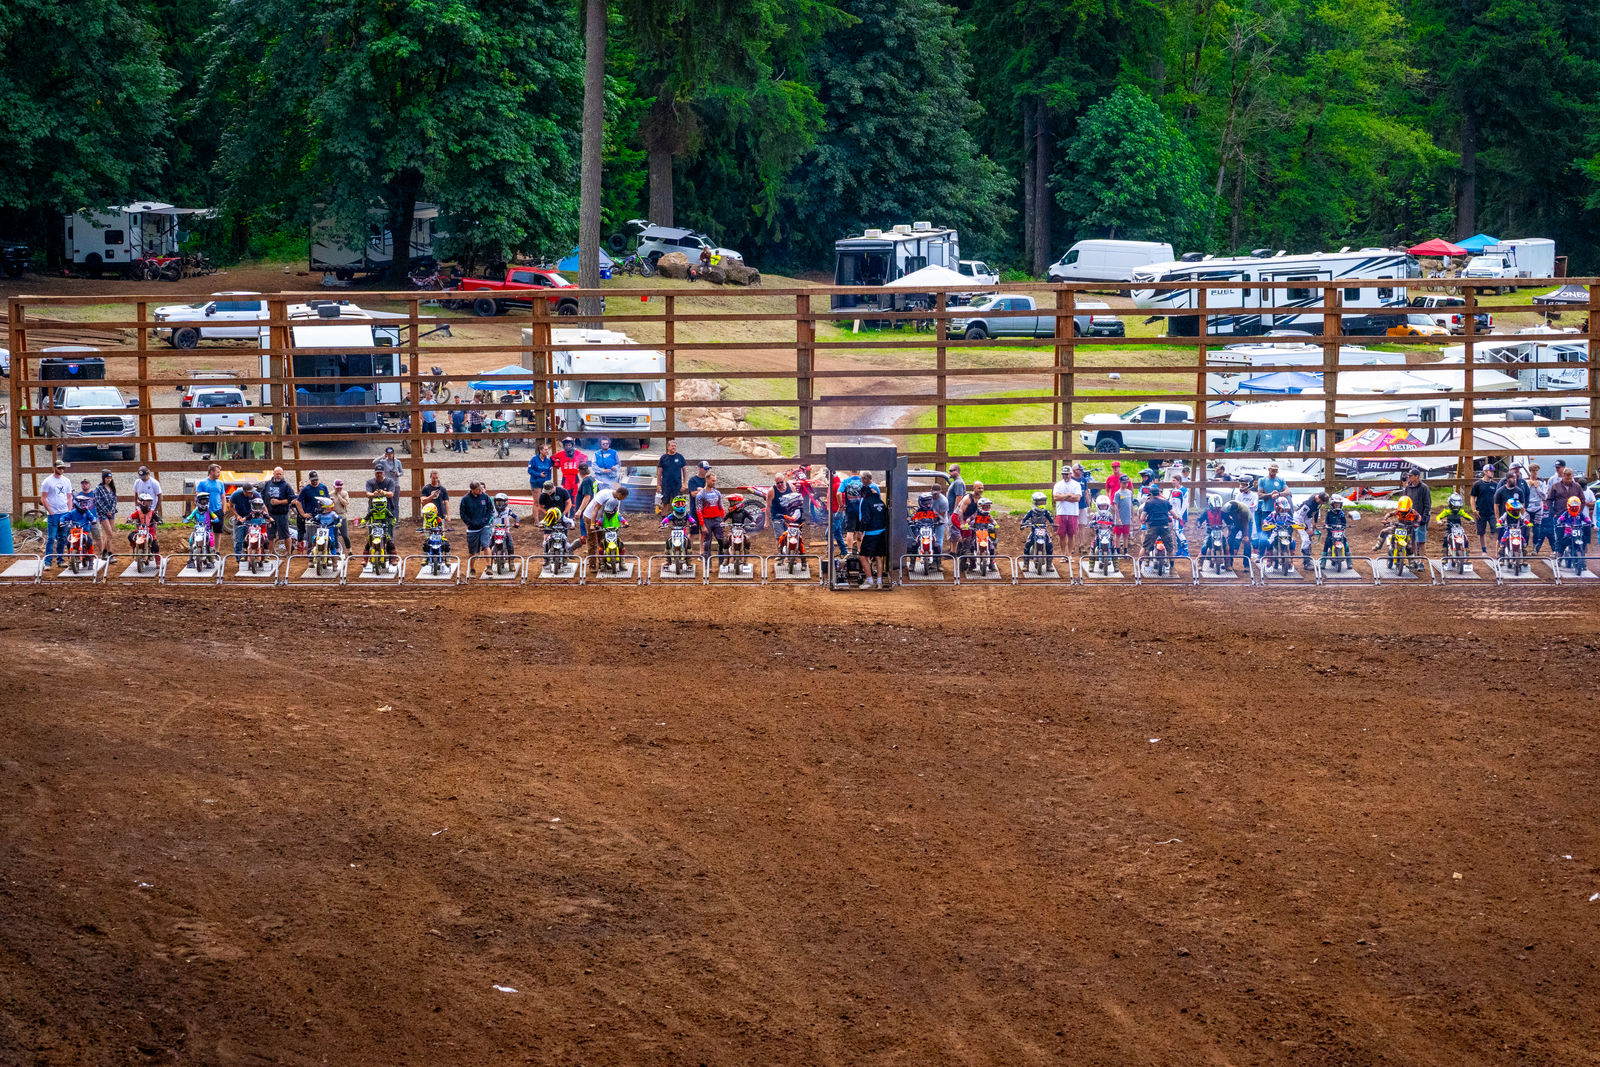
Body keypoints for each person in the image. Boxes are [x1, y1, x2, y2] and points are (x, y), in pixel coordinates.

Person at [855, 483, 891, 588]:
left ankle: (870, 579)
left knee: (862, 556)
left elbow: (866, 518)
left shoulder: (866, 502)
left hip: (871, 533)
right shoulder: (880, 502)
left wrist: (861, 531)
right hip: (882, 532)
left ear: (863, 494)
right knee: (878, 556)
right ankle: (879, 582)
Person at [582, 484, 631, 560]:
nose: (623, 499)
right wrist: (592, 524)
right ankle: (592, 564)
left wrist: (622, 522)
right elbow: (595, 509)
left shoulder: (618, 500)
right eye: (623, 497)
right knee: (592, 542)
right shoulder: (604, 494)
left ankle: (603, 562)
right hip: (590, 517)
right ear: (620, 494)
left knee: (602, 540)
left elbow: (616, 513)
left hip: (603, 518)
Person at [40, 461, 73, 567]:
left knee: (62, 537)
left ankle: (60, 559)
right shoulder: (47, 481)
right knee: (51, 538)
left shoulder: (66, 481)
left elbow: (69, 496)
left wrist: (69, 510)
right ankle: (47, 562)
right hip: (53, 514)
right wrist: (50, 511)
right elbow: (43, 498)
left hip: (64, 513)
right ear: (54, 468)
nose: (61, 470)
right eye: (59, 468)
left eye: (62, 468)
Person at [691, 474, 726, 562]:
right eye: (712, 480)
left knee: (721, 540)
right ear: (707, 480)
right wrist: (702, 526)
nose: (714, 482)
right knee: (707, 543)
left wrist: (723, 520)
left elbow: (721, 507)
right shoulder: (700, 495)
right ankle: (708, 565)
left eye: (715, 481)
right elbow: (699, 511)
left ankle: (721, 564)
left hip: (717, 519)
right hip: (707, 520)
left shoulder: (717, 493)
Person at [261, 466, 296, 553]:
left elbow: (292, 499)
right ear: (273, 474)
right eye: (277, 474)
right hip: (270, 514)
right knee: (270, 535)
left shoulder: (286, 486)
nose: (279, 475)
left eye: (280, 474)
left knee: (286, 534)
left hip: (282, 514)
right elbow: (261, 496)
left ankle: (288, 553)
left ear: (283, 474)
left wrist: (279, 502)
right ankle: (270, 553)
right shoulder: (267, 484)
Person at [294, 471, 330, 551]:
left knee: (324, 537)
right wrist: (303, 514)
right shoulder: (306, 489)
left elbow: (328, 500)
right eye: (313, 480)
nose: (315, 481)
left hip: (323, 516)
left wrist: (328, 511)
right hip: (311, 517)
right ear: (310, 480)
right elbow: (298, 501)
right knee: (311, 538)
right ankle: (311, 557)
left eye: (316, 480)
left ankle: (324, 554)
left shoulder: (323, 487)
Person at [1553, 494, 1593, 563]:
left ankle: (1583, 560)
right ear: (1569, 506)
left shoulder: (1580, 513)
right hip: (1568, 532)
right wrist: (1559, 522)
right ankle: (1559, 557)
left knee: (1584, 541)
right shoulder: (1566, 513)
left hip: (1578, 531)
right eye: (1573, 507)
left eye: (1576, 507)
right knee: (1562, 543)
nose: (1574, 509)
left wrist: (1589, 522)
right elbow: (1561, 518)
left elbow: (1585, 518)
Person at [1052, 464, 1082, 555]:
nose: (1065, 476)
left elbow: (1077, 498)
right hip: (1061, 512)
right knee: (1061, 534)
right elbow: (1056, 497)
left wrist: (1063, 497)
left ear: (1070, 474)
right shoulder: (1058, 485)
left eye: (1067, 474)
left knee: (1071, 534)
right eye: (1064, 474)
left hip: (1073, 513)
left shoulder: (1076, 485)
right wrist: (1068, 495)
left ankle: (1069, 554)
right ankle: (1062, 553)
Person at [459, 482, 494, 558]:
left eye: (481, 488)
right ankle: (472, 568)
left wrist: (486, 519)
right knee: (473, 551)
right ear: (473, 490)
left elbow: (490, 509)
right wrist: (470, 523)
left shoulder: (485, 497)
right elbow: (462, 514)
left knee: (486, 545)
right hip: (472, 528)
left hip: (484, 526)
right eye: (478, 489)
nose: (481, 490)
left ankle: (489, 567)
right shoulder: (465, 499)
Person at [1471, 464, 1501, 553]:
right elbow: (1472, 497)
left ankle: (1496, 550)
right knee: (1481, 532)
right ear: (1485, 472)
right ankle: (1483, 549)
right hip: (1481, 512)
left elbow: (1498, 498)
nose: (1492, 473)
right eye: (1490, 471)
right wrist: (1474, 510)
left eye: (1492, 471)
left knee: (1496, 530)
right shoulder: (1477, 484)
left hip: (1492, 512)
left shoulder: (1495, 485)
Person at [1292, 492, 1328, 567]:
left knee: (1309, 538)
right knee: (1306, 539)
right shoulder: (1308, 505)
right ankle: (1306, 563)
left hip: (1307, 518)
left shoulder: (1318, 502)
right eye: (1321, 501)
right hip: (1299, 519)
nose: (1322, 503)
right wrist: (1306, 529)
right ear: (1318, 498)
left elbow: (1317, 511)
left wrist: (1315, 523)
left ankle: (1308, 558)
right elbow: (1300, 517)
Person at [1141, 486, 1175, 558]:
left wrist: (1143, 520)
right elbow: (1174, 514)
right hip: (1164, 526)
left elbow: (1142, 517)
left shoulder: (1148, 503)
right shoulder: (1166, 502)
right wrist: (1178, 518)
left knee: (1144, 546)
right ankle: (1172, 567)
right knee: (1170, 548)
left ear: (1151, 494)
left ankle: (1139, 566)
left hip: (1153, 526)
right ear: (1159, 493)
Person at [1401, 469, 1432, 548]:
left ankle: (1421, 557)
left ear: (1416, 476)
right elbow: (1405, 502)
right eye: (1408, 476)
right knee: (1411, 539)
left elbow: (1427, 504)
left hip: (1420, 517)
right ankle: (1414, 557)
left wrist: (1424, 518)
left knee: (1420, 540)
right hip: (1410, 517)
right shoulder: (1408, 488)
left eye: (1410, 476)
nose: (1409, 477)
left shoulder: (1424, 488)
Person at [63, 492, 99, 560]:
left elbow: (92, 517)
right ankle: (70, 556)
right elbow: (64, 517)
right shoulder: (73, 512)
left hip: (84, 531)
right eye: (83, 503)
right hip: (74, 531)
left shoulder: (87, 512)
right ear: (77, 503)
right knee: (68, 542)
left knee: (89, 542)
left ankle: (91, 558)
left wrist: (94, 520)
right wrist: (62, 521)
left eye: (85, 503)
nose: (84, 505)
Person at [1020, 490, 1054, 561]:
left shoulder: (1046, 512)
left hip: (1043, 531)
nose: (1041, 505)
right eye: (1039, 503)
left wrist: (1053, 525)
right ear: (1035, 503)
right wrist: (1023, 523)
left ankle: (1049, 564)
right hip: (1034, 531)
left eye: (1043, 503)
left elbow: (1051, 520)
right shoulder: (1031, 512)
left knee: (1049, 545)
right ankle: (1026, 564)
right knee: (1027, 544)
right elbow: (1024, 519)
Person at [1222, 493, 1254, 567]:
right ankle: (1229, 563)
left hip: (1247, 523)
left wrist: (1245, 536)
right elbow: (1227, 519)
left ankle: (1246, 565)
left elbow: (1245, 524)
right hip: (1235, 523)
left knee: (1247, 542)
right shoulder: (1227, 507)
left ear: (1236, 510)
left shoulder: (1244, 510)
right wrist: (1229, 529)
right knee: (1230, 540)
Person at [197, 463, 226, 544]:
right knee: (204, 530)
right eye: (217, 472)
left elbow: (223, 496)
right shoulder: (202, 483)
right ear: (211, 472)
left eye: (219, 472)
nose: (219, 474)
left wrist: (223, 510)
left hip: (217, 510)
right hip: (206, 511)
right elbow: (197, 495)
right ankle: (205, 549)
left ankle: (217, 551)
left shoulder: (220, 483)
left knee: (218, 532)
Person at [92, 469, 118, 558]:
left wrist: (112, 510)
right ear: (103, 478)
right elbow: (98, 501)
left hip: (112, 512)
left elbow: (115, 500)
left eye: (110, 478)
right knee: (109, 533)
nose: (109, 480)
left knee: (107, 534)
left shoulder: (112, 488)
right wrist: (107, 511)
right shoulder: (98, 488)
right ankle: (110, 553)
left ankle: (103, 552)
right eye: (107, 478)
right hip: (102, 513)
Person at [229, 481, 257, 560]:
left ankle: (253, 557)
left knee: (253, 538)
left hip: (252, 517)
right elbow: (230, 506)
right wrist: (237, 515)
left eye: (252, 492)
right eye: (249, 493)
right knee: (238, 540)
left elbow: (262, 506)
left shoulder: (256, 495)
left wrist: (266, 516)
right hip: (240, 517)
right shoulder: (236, 495)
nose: (251, 494)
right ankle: (239, 559)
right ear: (244, 491)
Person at [657, 440, 688, 507]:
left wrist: (684, 483)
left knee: (678, 503)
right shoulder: (663, 458)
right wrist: (658, 485)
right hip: (666, 484)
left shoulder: (680, 457)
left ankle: (677, 517)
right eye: (672, 446)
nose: (674, 447)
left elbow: (685, 471)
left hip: (677, 485)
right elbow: (659, 473)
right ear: (668, 447)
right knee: (665, 503)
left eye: (675, 446)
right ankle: (664, 517)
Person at [1112, 477, 1137, 553]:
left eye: (1127, 483)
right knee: (1118, 535)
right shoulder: (1118, 493)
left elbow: (1131, 505)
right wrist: (1118, 518)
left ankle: (1125, 551)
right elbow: (1115, 507)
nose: (1125, 484)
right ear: (1120, 482)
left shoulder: (1129, 493)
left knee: (1126, 535)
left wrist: (1133, 516)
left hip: (1127, 518)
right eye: (1124, 483)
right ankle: (1118, 551)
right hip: (1120, 518)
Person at [330, 479, 353, 552]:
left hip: (342, 516)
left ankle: (349, 551)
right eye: (337, 487)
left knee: (345, 535)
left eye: (340, 487)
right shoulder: (330, 494)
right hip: (334, 517)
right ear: (334, 487)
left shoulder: (344, 493)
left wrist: (339, 496)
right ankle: (338, 550)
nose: (339, 488)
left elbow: (345, 503)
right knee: (335, 535)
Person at [573, 463, 596, 536]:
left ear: (579, 471)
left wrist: (580, 510)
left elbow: (587, 496)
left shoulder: (586, 481)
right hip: (592, 508)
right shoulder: (593, 479)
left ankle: (587, 543)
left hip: (586, 510)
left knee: (586, 532)